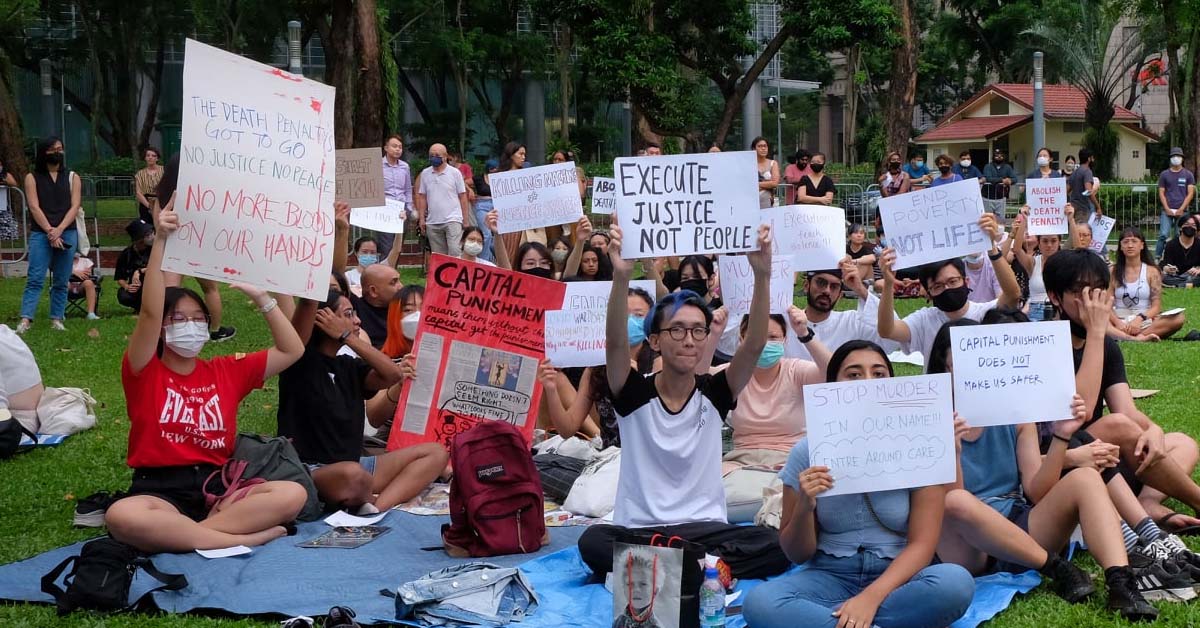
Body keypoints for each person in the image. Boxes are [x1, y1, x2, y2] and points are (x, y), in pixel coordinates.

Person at [576, 221, 790, 582]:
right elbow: (613, 345)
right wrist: (621, 275)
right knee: (593, 541)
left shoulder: (716, 391)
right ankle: (697, 569)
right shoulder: (632, 391)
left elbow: (753, 345)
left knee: (777, 545)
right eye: (676, 330)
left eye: (697, 331)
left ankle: (666, 569)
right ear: (655, 341)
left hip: (704, 529)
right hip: (641, 529)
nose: (688, 340)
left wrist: (762, 274)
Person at [929, 317, 1165, 618]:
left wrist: (1062, 434)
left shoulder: (1014, 413)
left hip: (1019, 524)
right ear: (944, 367)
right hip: (966, 546)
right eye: (957, 366)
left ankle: (1121, 582)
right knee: (957, 501)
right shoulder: (932, 419)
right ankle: (1058, 569)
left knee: (1085, 478)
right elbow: (951, 502)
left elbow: (1037, 490)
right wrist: (953, 449)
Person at [103, 209, 308, 553]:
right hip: (159, 489)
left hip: (218, 488)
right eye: (179, 318)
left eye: (199, 318)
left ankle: (194, 535)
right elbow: (151, 311)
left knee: (292, 493)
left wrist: (263, 298)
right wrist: (161, 243)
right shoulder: (144, 369)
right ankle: (243, 539)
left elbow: (292, 350)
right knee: (122, 516)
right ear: (164, 328)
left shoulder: (225, 370)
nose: (191, 325)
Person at [742, 341, 976, 628]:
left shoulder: (918, 444)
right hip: (828, 576)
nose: (868, 383)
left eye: (879, 374)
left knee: (955, 582)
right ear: (832, 386)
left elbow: (923, 544)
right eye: (853, 374)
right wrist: (804, 506)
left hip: (898, 578)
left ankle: (844, 620)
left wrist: (870, 599)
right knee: (760, 603)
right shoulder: (808, 451)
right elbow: (796, 554)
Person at [1045, 249, 1200, 534]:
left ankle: (1147, 504)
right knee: (1115, 426)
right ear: (1055, 297)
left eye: (1099, 290)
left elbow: (1126, 409)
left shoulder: (1106, 346)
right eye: (1080, 291)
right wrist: (1095, 332)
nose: (1092, 301)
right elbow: (1083, 411)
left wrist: (1152, 429)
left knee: (1182, 442)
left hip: (1108, 458)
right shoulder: (1045, 345)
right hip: (1063, 459)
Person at [280, 289, 447, 512]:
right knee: (353, 476)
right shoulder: (300, 362)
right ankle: (368, 498)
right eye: (348, 314)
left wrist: (347, 337)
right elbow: (305, 310)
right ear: (324, 319)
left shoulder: (348, 366)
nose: (358, 320)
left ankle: (377, 508)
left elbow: (393, 374)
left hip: (358, 466)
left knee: (437, 453)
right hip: (313, 470)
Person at [719, 308, 831, 519]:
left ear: (785, 339)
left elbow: (833, 373)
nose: (763, 344)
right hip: (741, 462)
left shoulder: (796, 371)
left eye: (772, 337)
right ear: (742, 339)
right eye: (756, 337)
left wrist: (804, 334)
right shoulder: (731, 374)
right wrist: (714, 334)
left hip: (791, 462)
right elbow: (694, 380)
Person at [876, 214, 1021, 359]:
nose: (947, 289)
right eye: (937, 286)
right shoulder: (924, 321)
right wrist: (889, 284)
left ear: (966, 281)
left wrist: (992, 249)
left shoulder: (985, 313)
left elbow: (1013, 295)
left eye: (953, 281)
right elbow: (887, 331)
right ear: (928, 293)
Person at [541, 288, 658, 449]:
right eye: (623, 315)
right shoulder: (596, 369)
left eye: (638, 315)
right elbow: (567, 429)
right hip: (610, 461)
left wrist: (637, 383)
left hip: (649, 455)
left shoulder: (659, 362)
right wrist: (551, 389)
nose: (630, 321)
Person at [153, 155, 236, 342]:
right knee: (210, 289)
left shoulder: (163, 196)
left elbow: (158, 223)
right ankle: (214, 330)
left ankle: (167, 331)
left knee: (170, 293)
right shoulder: (201, 194)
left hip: (172, 249)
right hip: (198, 249)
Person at [18, 137, 81, 334]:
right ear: (44, 152)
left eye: (60, 149)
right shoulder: (32, 177)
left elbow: (75, 206)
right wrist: (50, 232)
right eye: (54, 149)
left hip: (67, 232)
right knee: (35, 277)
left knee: (61, 280)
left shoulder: (72, 176)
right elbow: (34, 207)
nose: (58, 152)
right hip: (41, 234)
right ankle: (26, 319)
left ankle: (57, 318)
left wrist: (60, 230)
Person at [793, 262, 898, 361]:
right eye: (821, 283)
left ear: (840, 296)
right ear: (806, 286)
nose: (827, 291)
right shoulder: (788, 323)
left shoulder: (852, 322)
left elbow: (893, 339)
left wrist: (861, 290)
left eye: (834, 287)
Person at [1109, 228, 1185, 341]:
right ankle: (1132, 337)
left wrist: (1139, 319)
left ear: (1142, 245)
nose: (1130, 245)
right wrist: (1118, 323)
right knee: (1096, 317)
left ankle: (1132, 336)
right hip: (1118, 319)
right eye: (1126, 242)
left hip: (1144, 321)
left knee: (1179, 318)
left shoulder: (1152, 271)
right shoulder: (1112, 271)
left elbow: (1156, 306)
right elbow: (1106, 305)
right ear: (1120, 247)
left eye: (1134, 241)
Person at [1010, 205, 1078, 321]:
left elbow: (1078, 250)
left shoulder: (1065, 261)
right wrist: (1025, 221)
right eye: (1045, 241)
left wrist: (1071, 219)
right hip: (1035, 315)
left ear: (1059, 242)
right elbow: (1017, 249)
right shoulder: (1033, 262)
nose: (1049, 245)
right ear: (1039, 243)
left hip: (1059, 313)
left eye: (1053, 241)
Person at [416, 143, 469, 257]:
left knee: (456, 252)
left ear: (445, 156)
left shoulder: (455, 173)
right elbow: (422, 197)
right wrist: (421, 219)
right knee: (439, 257)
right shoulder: (425, 173)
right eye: (431, 155)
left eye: (437, 155)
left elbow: (463, 196)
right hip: (433, 221)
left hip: (453, 219)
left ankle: (456, 275)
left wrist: (465, 220)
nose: (434, 157)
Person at [1156, 147, 1196, 259]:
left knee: (1179, 235)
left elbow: (1190, 193)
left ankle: (1177, 258)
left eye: (1178, 156)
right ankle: (1157, 257)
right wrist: (1167, 208)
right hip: (1167, 210)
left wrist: (1182, 208)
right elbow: (1161, 193)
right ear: (1170, 158)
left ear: (1182, 158)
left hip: (1182, 210)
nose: (1176, 158)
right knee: (1163, 234)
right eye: (1173, 156)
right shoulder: (1164, 174)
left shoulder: (1188, 174)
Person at [351, 263, 401, 350]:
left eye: (399, 281)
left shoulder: (406, 308)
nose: (401, 286)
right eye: (393, 283)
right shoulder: (357, 308)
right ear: (373, 291)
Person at [379, 135, 413, 258]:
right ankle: (383, 275)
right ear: (386, 148)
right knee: (386, 245)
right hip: (385, 208)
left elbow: (408, 189)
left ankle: (394, 273)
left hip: (402, 209)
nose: (398, 149)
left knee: (398, 246)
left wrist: (409, 208)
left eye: (400, 147)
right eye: (394, 146)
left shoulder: (405, 166)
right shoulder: (378, 165)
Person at [494, 142, 527, 262]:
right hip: (508, 223)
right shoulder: (500, 176)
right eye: (521, 154)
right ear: (512, 155)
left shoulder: (527, 175)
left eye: (525, 154)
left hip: (526, 222)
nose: (523, 157)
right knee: (508, 256)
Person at [115, 218, 154, 312]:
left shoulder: (154, 249)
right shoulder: (126, 254)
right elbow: (120, 277)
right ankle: (139, 308)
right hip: (137, 287)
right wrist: (127, 286)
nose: (151, 236)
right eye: (147, 234)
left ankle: (151, 307)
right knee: (123, 295)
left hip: (152, 284)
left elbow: (159, 268)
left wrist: (140, 271)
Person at [1160, 213, 1200, 287]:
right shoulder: (1171, 244)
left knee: (1195, 278)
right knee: (1163, 278)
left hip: (1194, 276)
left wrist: (1198, 270)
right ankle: (1186, 284)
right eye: (1187, 224)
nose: (1190, 227)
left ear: (1197, 229)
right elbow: (1165, 263)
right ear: (1180, 227)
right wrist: (1168, 268)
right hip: (1176, 276)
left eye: (1193, 225)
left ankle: (1177, 286)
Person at [471, 159, 499, 263]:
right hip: (482, 206)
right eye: (492, 168)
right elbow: (463, 182)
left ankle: (495, 256)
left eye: (496, 168)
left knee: (498, 234)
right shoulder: (479, 178)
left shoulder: (501, 178)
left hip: (496, 206)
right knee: (486, 234)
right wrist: (470, 191)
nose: (494, 170)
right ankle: (484, 261)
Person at [982, 148, 1016, 217]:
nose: (999, 157)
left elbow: (1015, 179)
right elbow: (988, 178)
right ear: (993, 157)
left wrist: (1010, 181)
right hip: (988, 198)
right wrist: (1002, 180)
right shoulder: (988, 166)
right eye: (997, 155)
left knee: (1000, 222)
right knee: (988, 220)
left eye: (1001, 155)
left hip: (1001, 198)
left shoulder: (1007, 167)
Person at [1067, 148, 1098, 223]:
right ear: (1089, 159)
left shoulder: (1075, 172)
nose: (1093, 160)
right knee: (1082, 232)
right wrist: (1098, 207)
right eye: (1092, 158)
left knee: (1074, 231)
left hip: (1073, 207)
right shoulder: (1087, 171)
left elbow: (1066, 190)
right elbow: (1088, 191)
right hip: (1083, 209)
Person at [133, 146, 163, 224]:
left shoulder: (164, 171)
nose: (150, 158)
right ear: (145, 158)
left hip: (161, 202)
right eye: (148, 155)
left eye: (153, 156)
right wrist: (149, 206)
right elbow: (138, 193)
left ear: (157, 158)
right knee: (148, 229)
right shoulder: (140, 174)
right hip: (146, 203)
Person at [69, 252, 100, 320]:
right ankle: (59, 313)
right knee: (63, 283)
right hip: (68, 286)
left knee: (89, 283)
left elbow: (86, 275)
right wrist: (74, 272)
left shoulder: (86, 261)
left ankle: (91, 313)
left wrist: (72, 273)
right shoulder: (63, 261)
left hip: (81, 286)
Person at [754, 136, 780, 208]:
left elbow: (774, 183)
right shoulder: (749, 164)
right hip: (751, 201)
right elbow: (746, 184)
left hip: (768, 201)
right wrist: (767, 184)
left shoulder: (773, 163)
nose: (763, 148)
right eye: (760, 146)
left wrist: (755, 184)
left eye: (765, 146)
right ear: (754, 148)